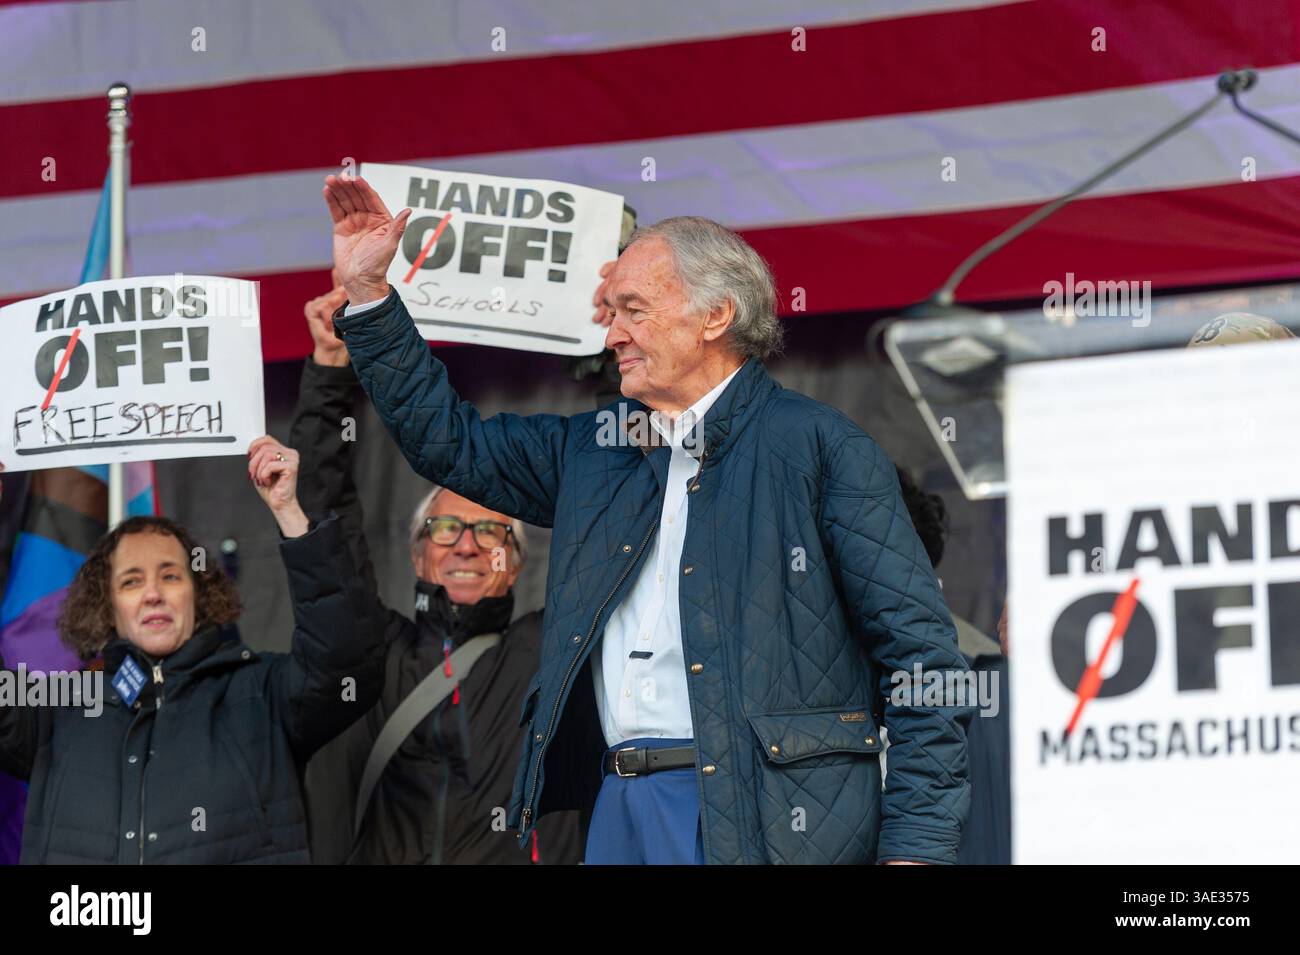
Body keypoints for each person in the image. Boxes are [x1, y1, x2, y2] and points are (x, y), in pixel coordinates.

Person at [320, 174, 973, 865]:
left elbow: (924, 661)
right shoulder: (599, 449)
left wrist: (917, 849)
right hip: (620, 804)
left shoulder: (822, 449)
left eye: (633, 308)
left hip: (768, 817)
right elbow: (451, 445)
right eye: (611, 307)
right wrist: (369, 296)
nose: (611, 327)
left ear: (715, 316)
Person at [294, 282, 583, 864]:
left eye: (490, 532)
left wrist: (610, 365)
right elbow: (329, 531)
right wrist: (329, 373)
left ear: (517, 561)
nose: (467, 547)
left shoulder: (552, 651)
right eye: (446, 530)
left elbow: (620, 517)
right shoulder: (375, 653)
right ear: (417, 554)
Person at [0, 437, 384, 863]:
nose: (152, 594)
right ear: (106, 608)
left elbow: (346, 664)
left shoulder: (262, 695)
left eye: (170, 576)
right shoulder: (61, 710)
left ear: (200, 594)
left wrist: (289, 512)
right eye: (131, 581)